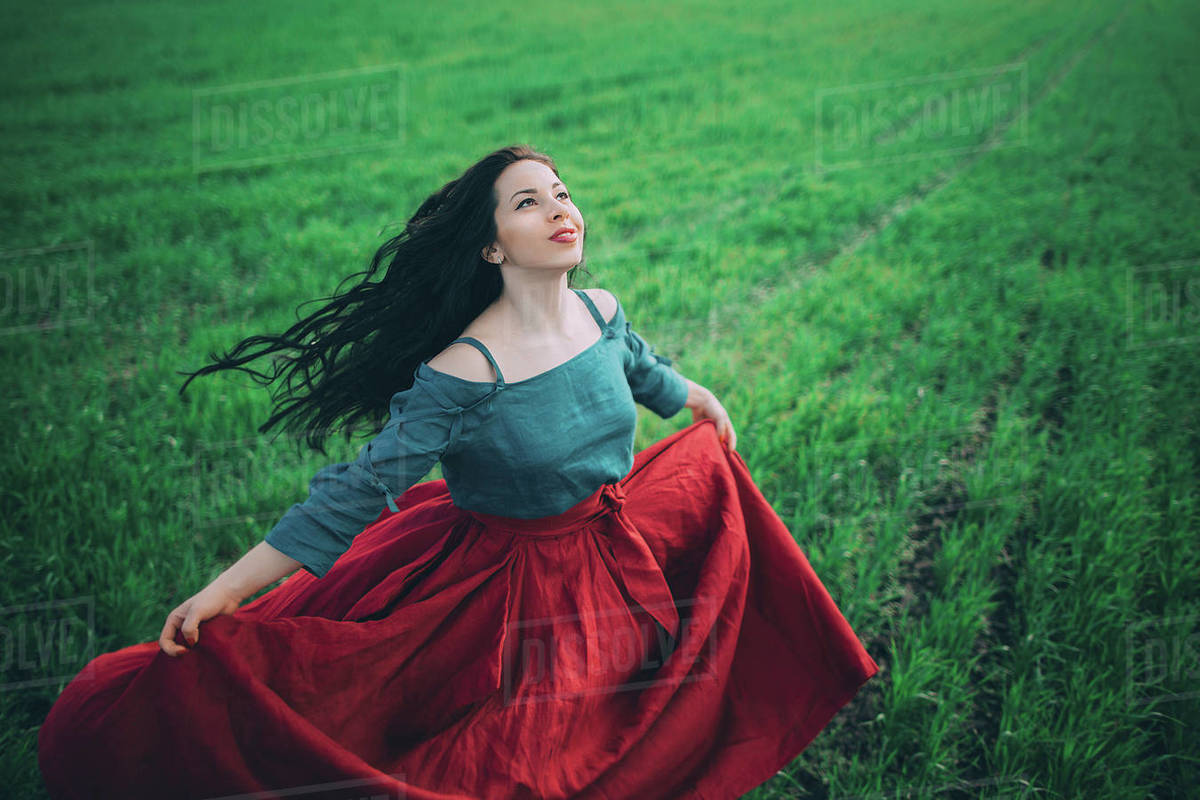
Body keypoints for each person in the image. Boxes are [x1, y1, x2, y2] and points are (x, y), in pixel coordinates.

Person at [37, 144, 879, 799]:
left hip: (612, 533)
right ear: (489, 244)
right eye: (527, 202)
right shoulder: (466, 372)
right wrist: (227, 590)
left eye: (561, 193)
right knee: (521, 771)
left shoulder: (598, 309)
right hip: (516, 583)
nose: (558, 210)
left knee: (669, 670)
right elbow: (357, 491)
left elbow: (638, 368)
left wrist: (695, 399)